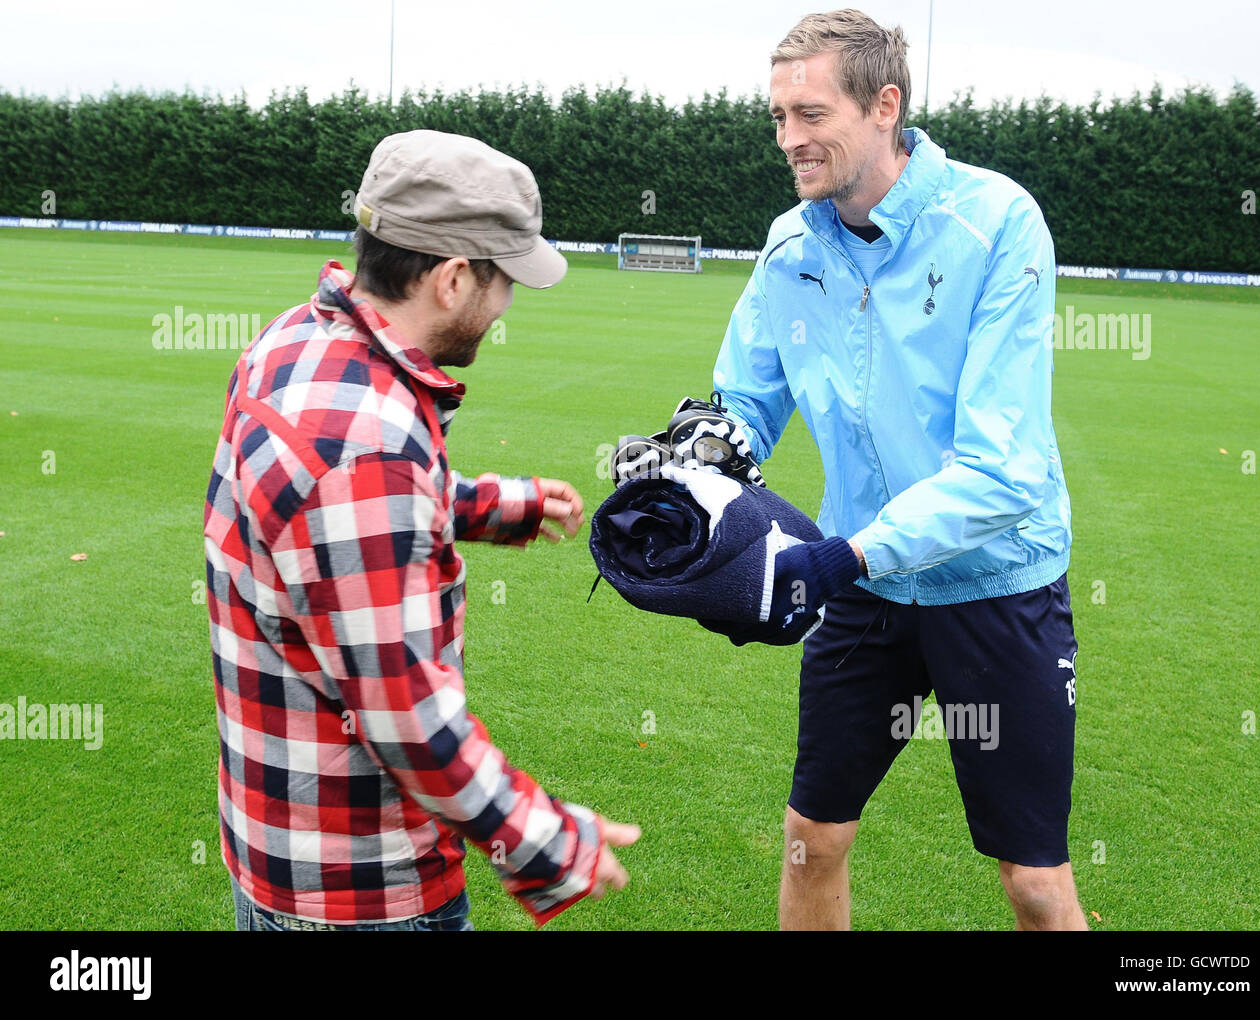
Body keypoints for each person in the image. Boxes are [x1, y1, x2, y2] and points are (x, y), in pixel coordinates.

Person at [706, 10, 1086, 929]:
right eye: (778, 118)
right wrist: (698, 463)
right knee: (811, 839)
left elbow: (1002, 471)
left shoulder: (995, 221)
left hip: (992, 580)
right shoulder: (790, 244)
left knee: (1033, 882)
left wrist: (839, 560)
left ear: (885, 104)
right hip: (868, 591)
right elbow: (746, 404)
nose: (790, 140)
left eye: (810, 114)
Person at [203, 129, 638, 931]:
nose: (505, 305)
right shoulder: (365, 446)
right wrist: (549, 843)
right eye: (502, 281)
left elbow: (339, 521)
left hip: (277, 850)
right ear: (451, 278)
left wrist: (498, 504)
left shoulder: (295, 340)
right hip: (362, 888)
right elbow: (405, 715)